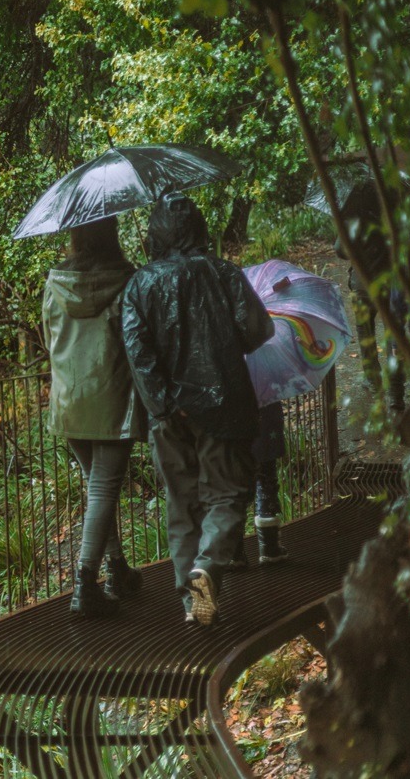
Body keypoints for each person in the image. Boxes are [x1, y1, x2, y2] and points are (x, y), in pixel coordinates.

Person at [122, 193, 273, 626]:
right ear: (200, 228)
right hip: (224, 405)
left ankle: (191, 602)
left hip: (168, 415)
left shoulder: (139, 285)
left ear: (155, 234)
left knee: (182, 502)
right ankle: (206, 567)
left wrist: (165, 404)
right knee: (227, 494)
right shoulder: (223, 273)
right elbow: (258, 330)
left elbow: (137, 351)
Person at [42, 216, 148, 618]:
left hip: (69, 401)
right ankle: (85, 586)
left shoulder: (55, 283)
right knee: (103, 489)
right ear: (112, 234)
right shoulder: (128, 281)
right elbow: (136, 341)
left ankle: (117, 569)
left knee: (97, 488)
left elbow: (49, 339)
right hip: (112, 399)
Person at [229, 401, 290, 569]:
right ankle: (270, 548)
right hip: (266, 425)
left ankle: (233, 553)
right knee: (266, 481)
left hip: (232, 426)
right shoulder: (266, 383)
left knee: (233, 485)